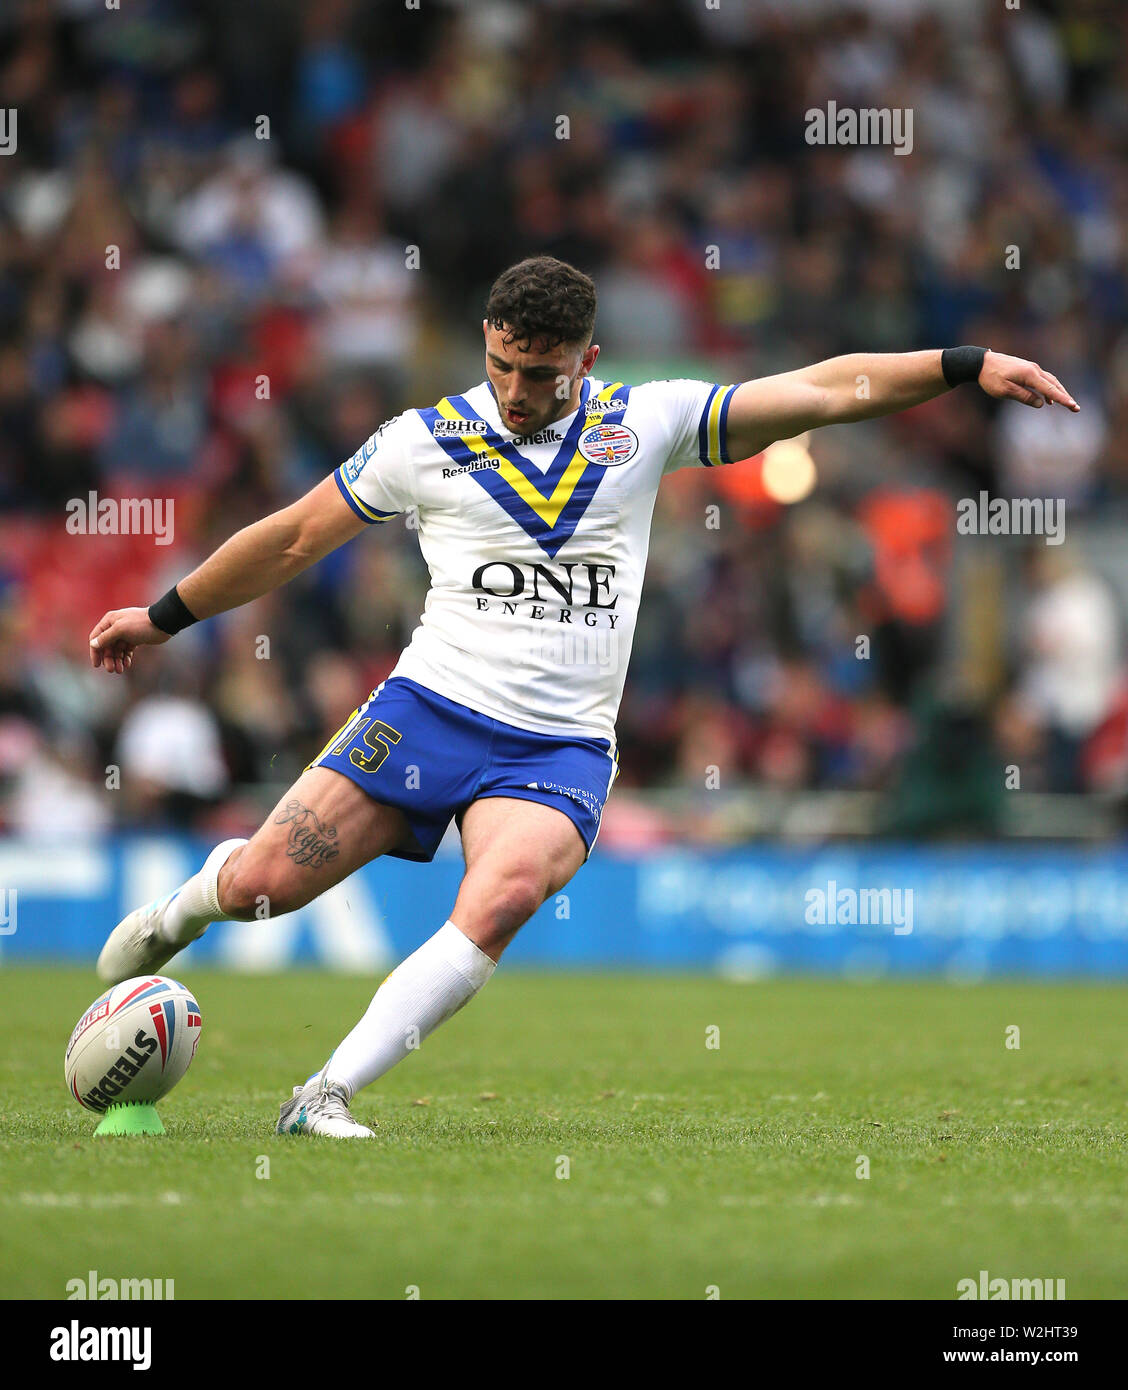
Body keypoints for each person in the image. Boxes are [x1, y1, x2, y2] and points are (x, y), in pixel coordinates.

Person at [89, 255, 1078, 1137]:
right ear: (486, 340)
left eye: (544, 372)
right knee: (268, 887)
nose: (519, 391)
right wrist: (164, 615)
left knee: (506, 894)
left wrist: (962, 363)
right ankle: (181, 916)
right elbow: (294, 537)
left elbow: (817, 391)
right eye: (505, 366)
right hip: (429, 707)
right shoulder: (421, 442)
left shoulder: (648, 424)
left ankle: (326, 1094)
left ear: (588, 357)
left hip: (557, 746)